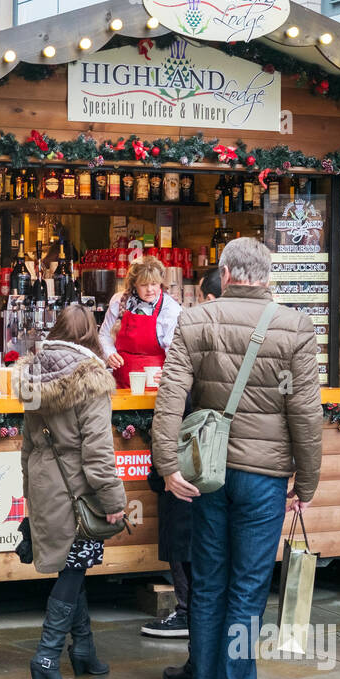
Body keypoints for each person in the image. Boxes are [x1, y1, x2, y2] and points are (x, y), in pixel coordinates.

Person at [152, 238, 322, 679]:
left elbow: (170, 396)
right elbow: (305, 414)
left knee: (206, 586)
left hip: (207, 474)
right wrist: (307, 480)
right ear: (266, 275)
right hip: (264, 477)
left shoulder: (194, 319)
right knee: (247, 592)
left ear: (225, 273)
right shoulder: (295, 327)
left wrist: (166, 465)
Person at [14, 304, 126, 679]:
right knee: (74, 568)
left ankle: (84, 650)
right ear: (90, 335)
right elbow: (97, 453)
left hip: (45, 483)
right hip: (76, 490)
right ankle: (45, 655)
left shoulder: (32, 373)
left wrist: (29, 491)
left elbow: (28, 445)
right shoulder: (92, 379)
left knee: (72, 564)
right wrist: (114, 501)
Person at [143, 266, 223, 643]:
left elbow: (171, 405)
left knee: (181, 534)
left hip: (192, 457)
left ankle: (191, 613)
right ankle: (207, 619)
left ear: (206, 298)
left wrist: (164, 468)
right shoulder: (256, 333)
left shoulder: (191, 336)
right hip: (228, 461)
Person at [98, 256, 183, 389]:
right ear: (134, 284)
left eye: (154, 283)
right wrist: (109, 353)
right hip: (120, 384)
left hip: (155, 384)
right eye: (144, 284)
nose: (150, 289)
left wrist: (169, 373)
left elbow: (175, 350)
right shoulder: (119, 301)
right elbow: (104, 335)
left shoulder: (170, 309)